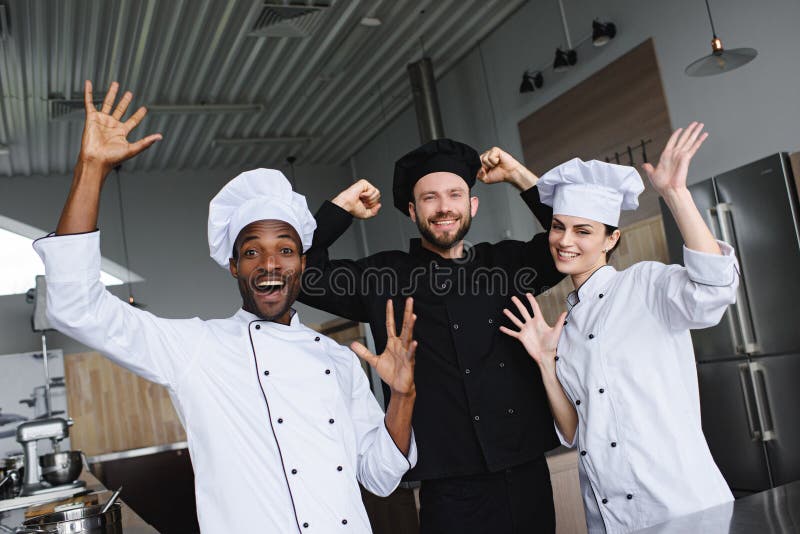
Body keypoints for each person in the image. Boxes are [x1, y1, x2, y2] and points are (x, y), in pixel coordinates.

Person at [33, 80, 419, 533]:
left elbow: (380, 476)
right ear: (233, 266)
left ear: (302, 265)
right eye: (253, 251)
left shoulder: (339, 360)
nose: (270, 264)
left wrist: (403, 396)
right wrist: (91, 169)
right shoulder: (198, 348)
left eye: (286, 250)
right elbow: (76, 306)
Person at [300, 138, 565, 533]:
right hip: (449, 489)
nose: (444, 207)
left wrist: (519, 177)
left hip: (526, 474)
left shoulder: (509, 264)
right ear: (412, 210)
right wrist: (340, 209)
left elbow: (574, 237)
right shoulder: (380, 277)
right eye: (429, 198)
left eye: (455, 194)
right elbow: (301, 273)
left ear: (471, 205)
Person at [501, 123, 737, 533]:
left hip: (681, 505)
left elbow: (715, 288)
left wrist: (675, 195)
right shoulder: (566, 326)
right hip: (609, 517)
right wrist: (545, 361)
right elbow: (575, 431)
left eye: (583, 230)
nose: (565, 240)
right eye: (559, 227)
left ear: (611, 239)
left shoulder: (644, 285)